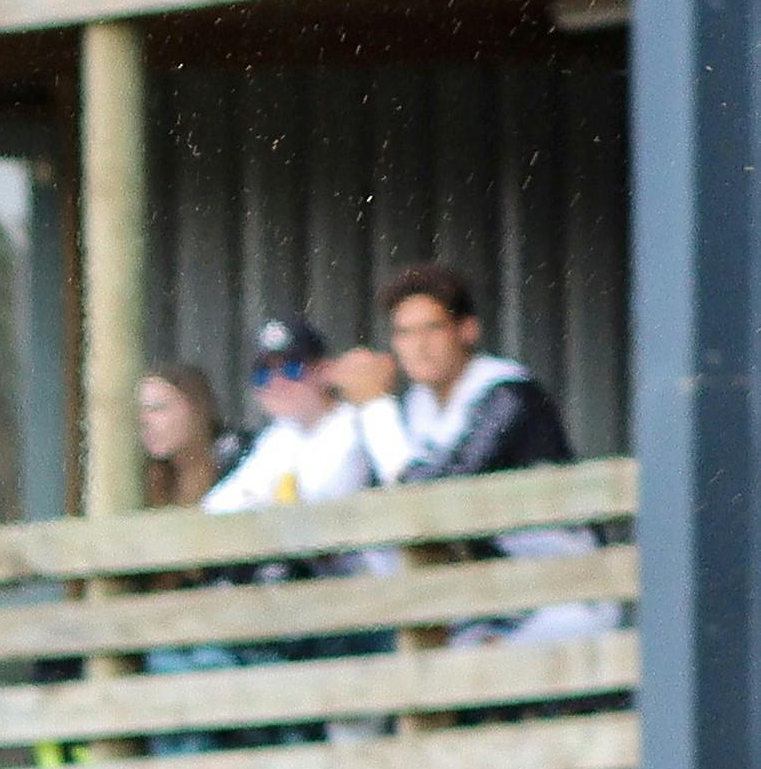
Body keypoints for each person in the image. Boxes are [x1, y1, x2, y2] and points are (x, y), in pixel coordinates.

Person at [365, 261, 613, 641]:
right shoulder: (414, 409)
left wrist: (373, 407)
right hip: (493, 605)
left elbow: (436, 494)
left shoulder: (508, 393)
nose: (420, 345)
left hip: (567, 596)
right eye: (405, 333)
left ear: (467, 330)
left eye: (433, 328)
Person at [202, 316, 384, 516]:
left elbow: (321, 498)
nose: (276, 382)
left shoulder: (359, 421)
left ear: (324, 370)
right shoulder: (277, 437)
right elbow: (217, 505)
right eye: (263, 373)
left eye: (292, 369)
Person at [137, 365, 232, 511]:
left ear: (197, 408)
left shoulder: (239, 467)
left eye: (158, 408)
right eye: (139, 411)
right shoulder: (145, 484)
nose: (144, 421)